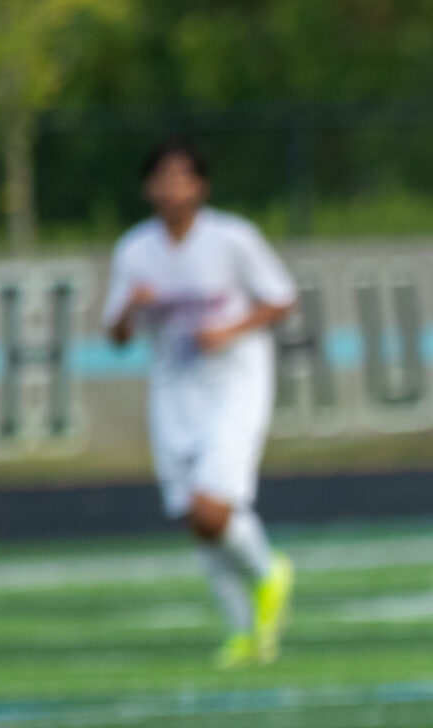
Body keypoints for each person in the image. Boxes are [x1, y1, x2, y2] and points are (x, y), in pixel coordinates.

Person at [104, 136, 297, 669]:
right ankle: (245, 632)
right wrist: (130, 308)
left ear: (201, 186)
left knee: (212, 508)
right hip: (174, 389)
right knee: (196, 517)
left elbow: (281, 298)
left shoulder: (232, 238)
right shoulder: (135, 251)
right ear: (148, 187)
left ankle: (268, 573)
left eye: (183, 177)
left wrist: (229, 330)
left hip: (235, 382)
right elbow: (116, 336)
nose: (173, 188)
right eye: (162, 178)